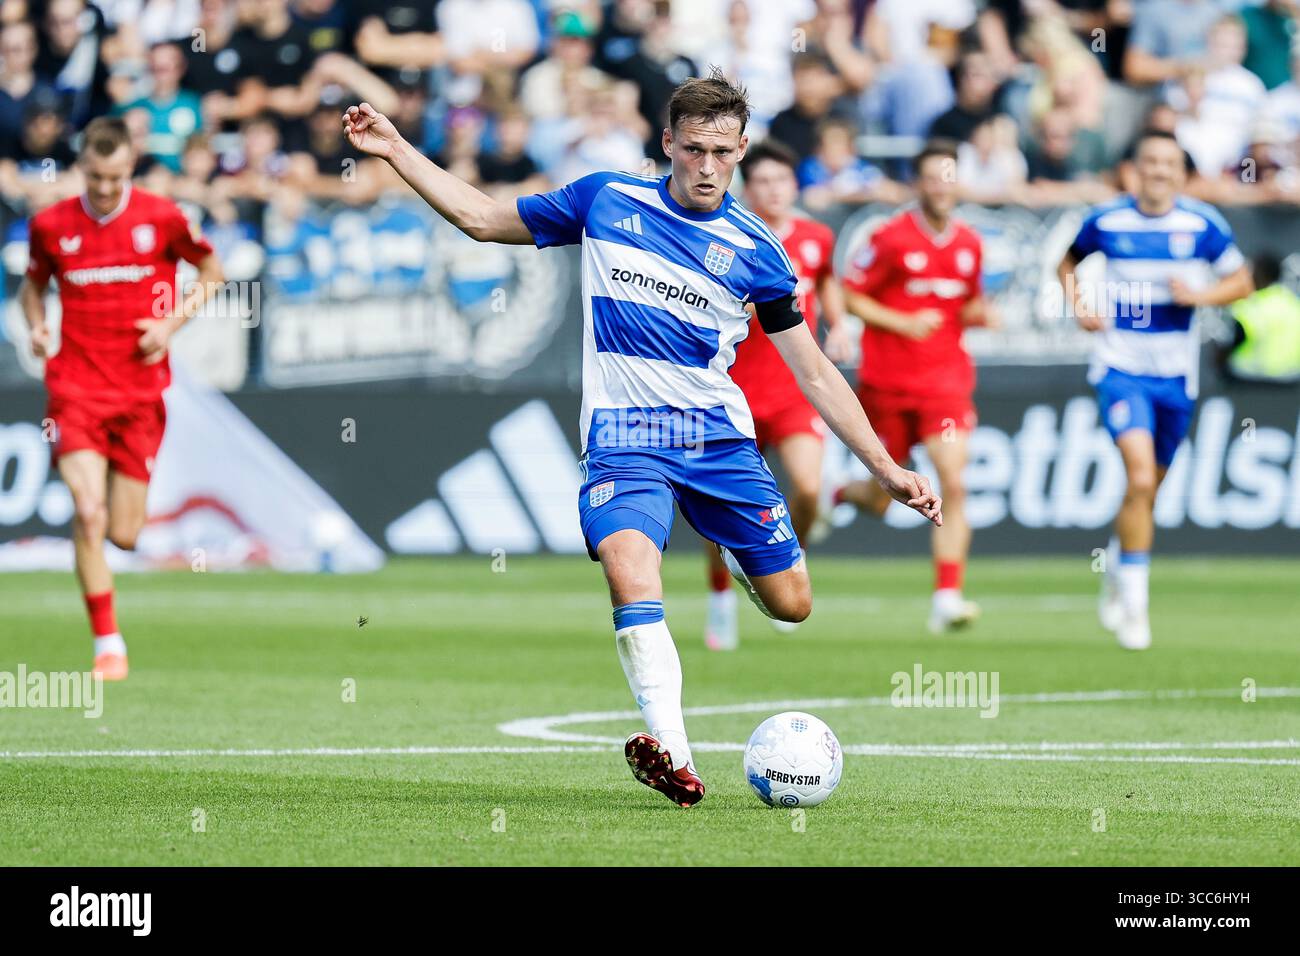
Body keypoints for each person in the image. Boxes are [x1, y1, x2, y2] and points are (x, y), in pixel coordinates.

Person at [340, 69, 942, 807]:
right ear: (667, 144)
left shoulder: (759, 253)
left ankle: (739, 564)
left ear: (743, 149)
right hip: (624, 438)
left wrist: (884, 467)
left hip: (718, 442)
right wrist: (397, 148)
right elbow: (484, 219)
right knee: (629, 568)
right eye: (694, 149)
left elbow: (814, 372)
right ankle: (676, 758)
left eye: (724, 152)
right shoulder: (606, 200)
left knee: (792, 605)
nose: (708, 166)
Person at [19, 116, 224, 680]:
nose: (105, 188)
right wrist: (38, 328)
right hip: (76, 391)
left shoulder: (162, 217)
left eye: (114, 177)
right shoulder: (52, 225)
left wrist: (170, 326)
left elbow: (211, 271)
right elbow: (31, 288)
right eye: (95, 176)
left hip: (139, 394)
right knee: (88, 514)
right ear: (82, 167)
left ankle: (112, 513)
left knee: (125, 534)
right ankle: (108, 643)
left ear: (130, 166)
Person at [1057, 129, 1253, 650]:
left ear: (1182, 173)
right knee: (1140, 476)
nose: (1159, 171)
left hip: (1176, 377)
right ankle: (1137, 610)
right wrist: (1079, 306)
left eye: (1170, 164)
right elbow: (1067, 261)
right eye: (1150, 162)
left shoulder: (1202, 223)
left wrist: (1201, 294)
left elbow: (1242, 282)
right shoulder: (1107, 220)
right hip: (1121, 368)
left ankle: (1119, 564)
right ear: (1135, 169)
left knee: (1149, 489)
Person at [826, 140, 997, 635]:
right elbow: (849, 296)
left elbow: (967, 305)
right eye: (932, 177)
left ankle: (947, 596)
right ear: (918, 184)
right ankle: (840, 493)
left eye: (949, 176)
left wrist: (981, 314)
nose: (942, 186)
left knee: (954, 481)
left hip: (946, 385)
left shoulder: (970, 243)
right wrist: (902, 323)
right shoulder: (891, 238)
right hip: (888, 385)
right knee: (883, 499)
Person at [701, 138, 851, 651]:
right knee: (721, 508)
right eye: (762, 181)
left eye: (781, 181)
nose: (772, 189)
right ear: (749, 186)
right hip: (732, 391)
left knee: (808, 489)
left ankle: (790, 564)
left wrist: (842, 322)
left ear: (794, 186)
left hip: (792, 392)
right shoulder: (727, 236)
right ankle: (720, 598)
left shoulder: (815, 237)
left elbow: (827, 282)